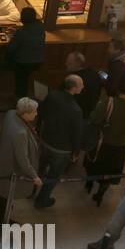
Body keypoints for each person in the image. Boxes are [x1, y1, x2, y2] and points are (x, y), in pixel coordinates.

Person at [83, 79, 125, 205]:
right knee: (111, 172)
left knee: (93, 165)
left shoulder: (108, 102)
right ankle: (99, 195)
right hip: (119, 147)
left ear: (117, 88)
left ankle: (89, 184)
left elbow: (93, 119)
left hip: (101, 143)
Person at [35, 75, 84, 209]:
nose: (83, 87)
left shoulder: (52, 96)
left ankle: (31, 190)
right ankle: (42, 200)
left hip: (45, 141)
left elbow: (41, 112)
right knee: (53, 176)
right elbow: (76, 134)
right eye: (81, 85)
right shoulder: (76, 110)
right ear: (74, 88)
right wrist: (76, 152)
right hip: (61, 150)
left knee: (39, 168)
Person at [0, 97, 41, 225]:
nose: (36, 113)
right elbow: (23, 159)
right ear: (25, 113)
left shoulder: (11, 114)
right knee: (5, 199)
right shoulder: (21, 133)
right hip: (11, 170)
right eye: (34, 111)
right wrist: (34, 176)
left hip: (2, 163)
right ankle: (1, 224)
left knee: (1, 197)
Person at [5, 6, 46, 99]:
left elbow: (10, 48)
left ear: (23, 19)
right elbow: (29, 35)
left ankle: (19, 97)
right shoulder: (41, 28)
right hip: (38, 62)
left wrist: (14, 36)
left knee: (20, 79)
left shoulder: (22, 32)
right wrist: (17, 32)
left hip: (23, 63)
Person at [66, 51, 102, 120]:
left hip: (75, 114)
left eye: (69, 63)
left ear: (77, 64)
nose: (66, 64)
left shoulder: (72, 79)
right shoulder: (94, 73)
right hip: (91, 111)